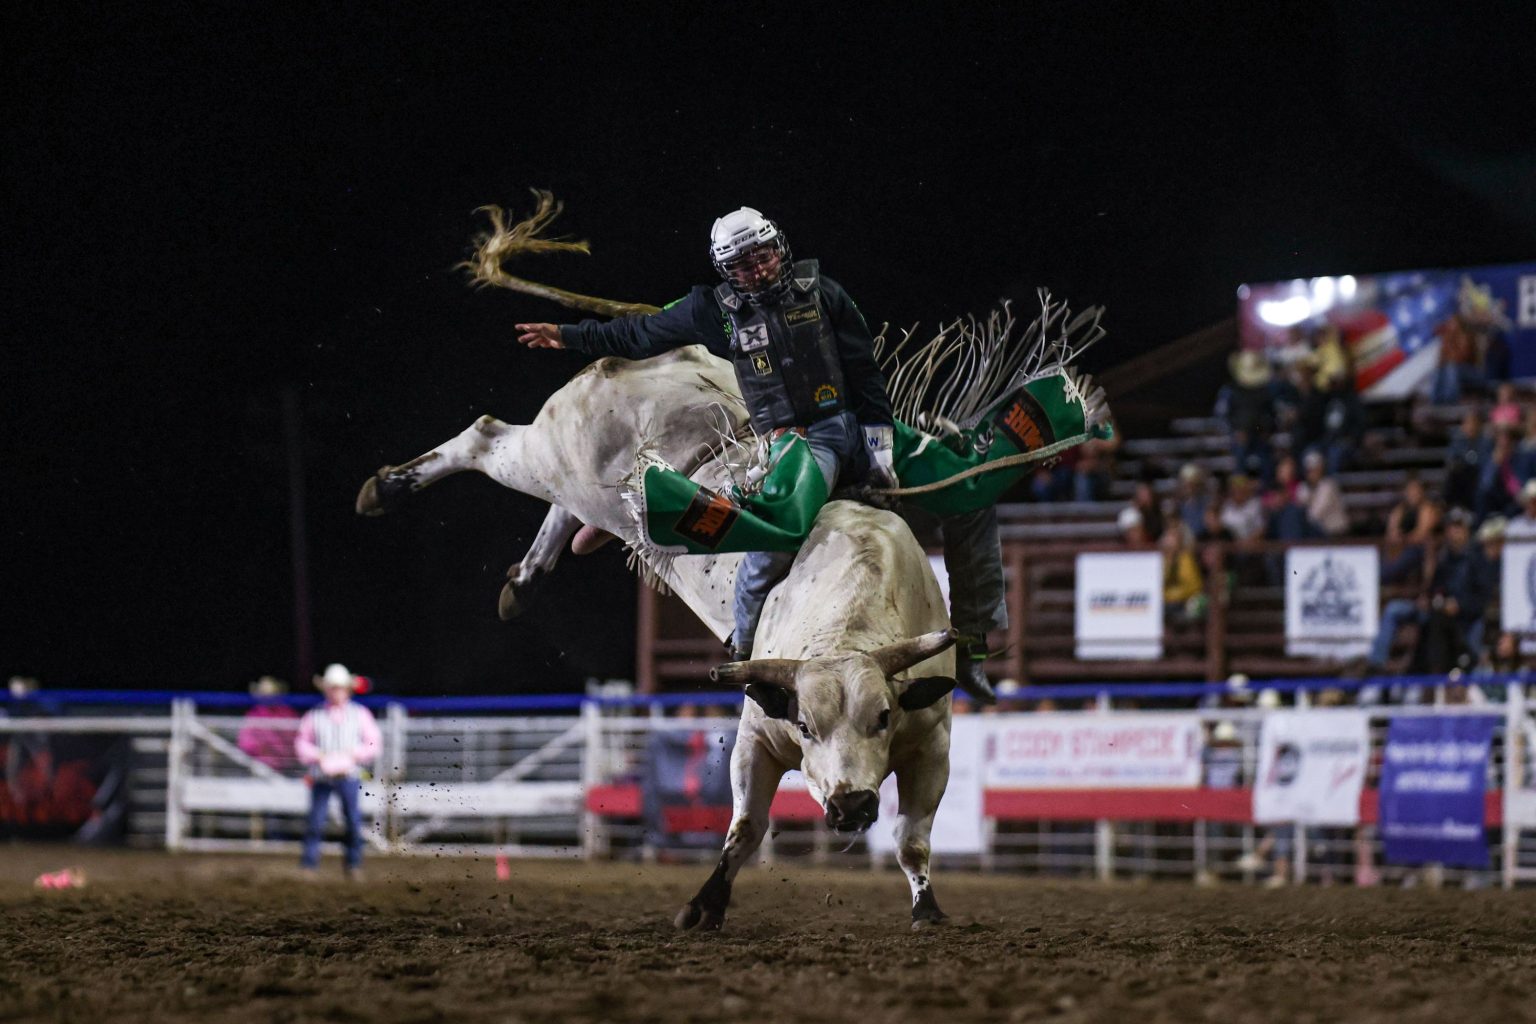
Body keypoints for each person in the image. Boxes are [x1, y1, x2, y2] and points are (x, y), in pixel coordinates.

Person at [514, 208, 1002, 700]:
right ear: (727, 270)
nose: (757, 270)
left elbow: (865, 372)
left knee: (974, 492)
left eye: (762, 257)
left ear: (779, 249)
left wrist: (880, 446)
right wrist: (569, 336)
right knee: (776, 534)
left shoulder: (824, 293)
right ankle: (747, 657)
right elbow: (639, 334)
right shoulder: (712, 309)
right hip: (799, 442)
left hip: (855, 424)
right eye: (742, 265)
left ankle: (973, 646)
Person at [1365, 508, 1489, 675]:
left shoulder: (1477, 560)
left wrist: (1460, 605)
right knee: (1394, 609)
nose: (1454, 532)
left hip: (1462, 618)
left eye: (1458, 527)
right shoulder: (1444, 558)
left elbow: (1481, 599)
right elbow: (1434, 587)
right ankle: (1376, 664)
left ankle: (1434, 673)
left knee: (1440, 625)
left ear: (1467, 531)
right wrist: (1427, 598)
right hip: (1435, 609)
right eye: (1451, 528)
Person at [296, 663, 381, 879]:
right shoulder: (314, 715)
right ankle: (309, 865)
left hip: (349, 776)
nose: (336, 692)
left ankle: (353, 865)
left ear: (347, 689)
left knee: (352, 821)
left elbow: (374, 743)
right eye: (333, 687)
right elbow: (302, 744)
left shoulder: (359, 714)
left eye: (339, 687)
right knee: (316, 821)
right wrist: (320, 756)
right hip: (321, 776)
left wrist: (353, 755)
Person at [237, 676, 299, 772]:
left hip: (286, 768)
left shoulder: (288, 714)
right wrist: (262, 748)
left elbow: (295, 741)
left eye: (271, 693)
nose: (268, 697)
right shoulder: (253, 715)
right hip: (259, 768)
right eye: (264, 693)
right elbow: (246, 743)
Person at [1297, 450, 1348, 537]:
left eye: (1315, 469)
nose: (1312, 473)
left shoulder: (1329, 485)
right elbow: (1300, 505)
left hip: (1336, 532)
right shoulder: (1303, 486)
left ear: (1321, 468)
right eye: (1309, 470)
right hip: (1316, 532)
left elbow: (1316, 513)